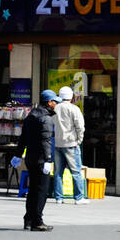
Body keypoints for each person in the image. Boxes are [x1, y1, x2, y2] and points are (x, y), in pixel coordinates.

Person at [20, 91, 58, 231]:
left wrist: (18, 155)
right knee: (41, 191)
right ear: (49, 102)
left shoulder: (31, 116)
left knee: (33, 190)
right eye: (55, 101)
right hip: (42, 159)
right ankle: (37, 221)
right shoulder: (46, 119)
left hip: (30, 157)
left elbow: (23, 137)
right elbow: (46, 141)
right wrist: (48, 160)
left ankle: (28, 219)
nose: (56, 104)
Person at [52, 86, 88, 205]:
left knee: (58, 172)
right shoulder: (74, 109)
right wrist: (79, 140)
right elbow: (80, 126)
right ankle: (78, 198)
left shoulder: (55, 109)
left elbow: (51, 124)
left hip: (57, 143)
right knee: (76, 172)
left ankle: (58, 197)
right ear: (71, 97)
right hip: (71, 144)